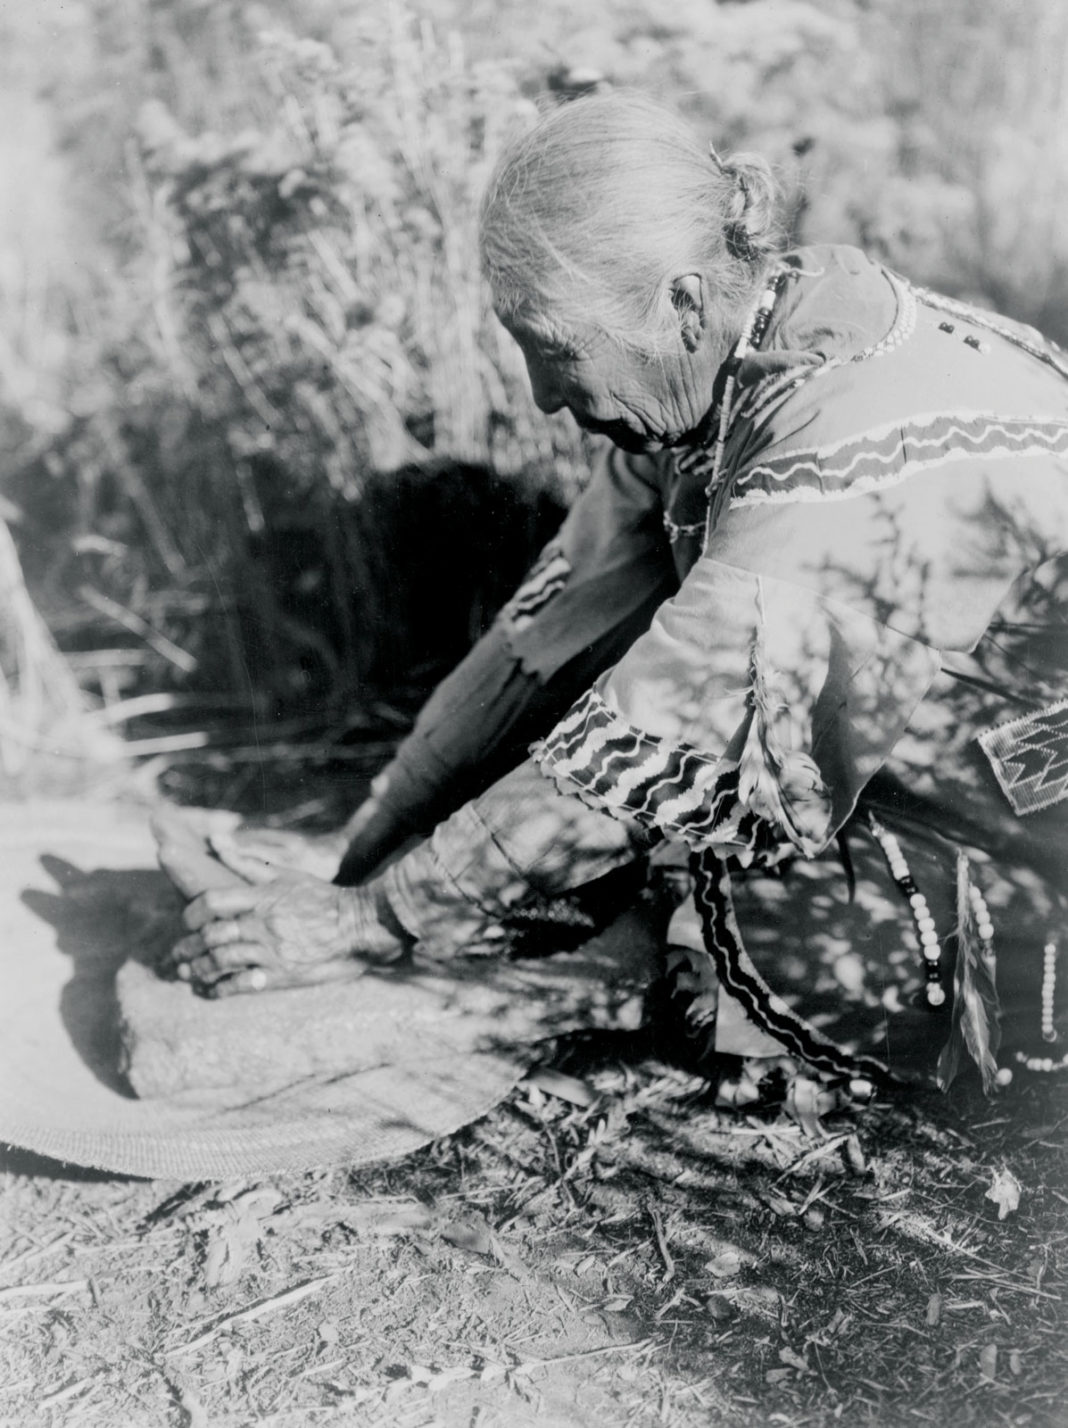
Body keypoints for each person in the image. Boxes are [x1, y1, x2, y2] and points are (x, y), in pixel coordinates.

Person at [168, 93, 1068, 1098]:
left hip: (1038, 824)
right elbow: (542, 639)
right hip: (945, 771)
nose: (544, 396)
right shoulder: (729, 361)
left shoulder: (840, 445)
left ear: (683, 302)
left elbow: (660, 736)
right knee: (668, 838)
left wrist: (373, 921)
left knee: (747, 898)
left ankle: (605, 991)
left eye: (556, 350)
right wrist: (360, 853)